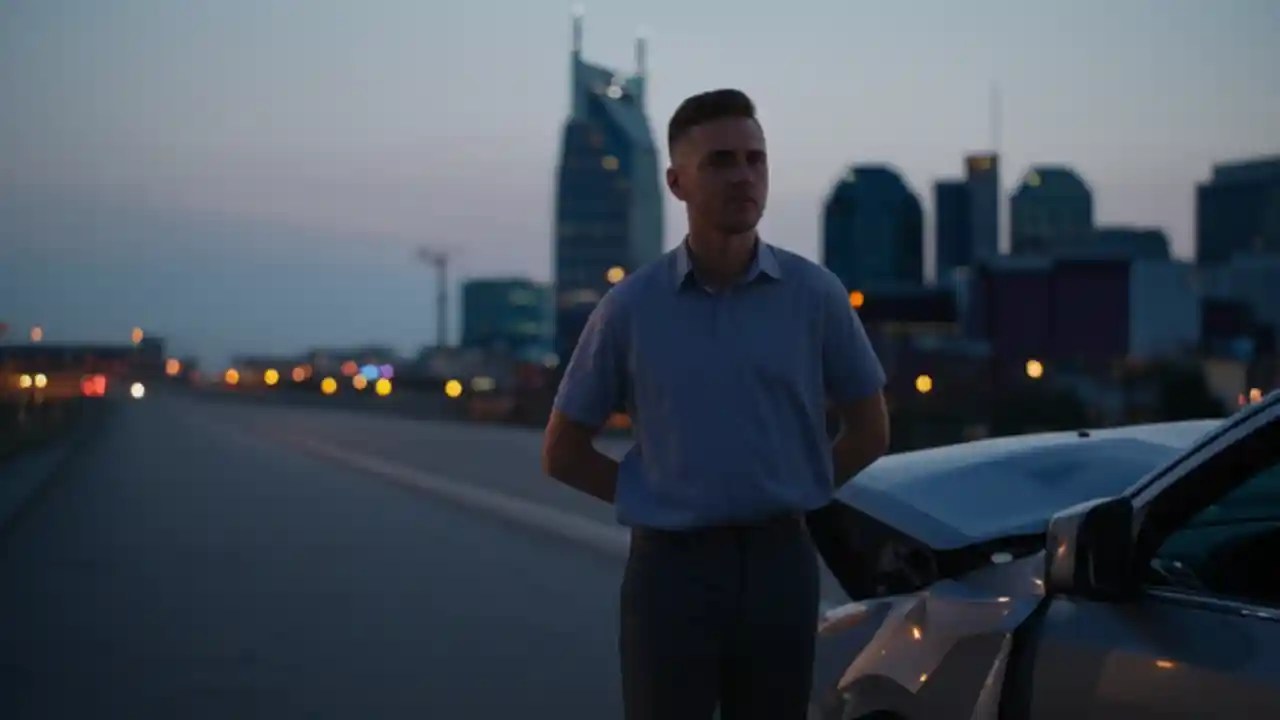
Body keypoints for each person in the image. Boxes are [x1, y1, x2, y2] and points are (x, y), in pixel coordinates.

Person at [541, 88, 889, 720]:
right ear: (677, 182)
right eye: (721, 161)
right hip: (670, 570)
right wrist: (656, 495)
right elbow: (562, 452)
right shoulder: (631, 309)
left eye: (755, 159)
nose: (743, 176)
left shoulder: (815, 295)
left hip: (781, 563)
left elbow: (870, 430)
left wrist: (797, 488)